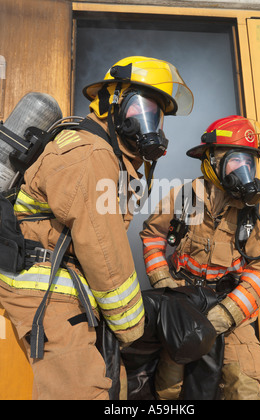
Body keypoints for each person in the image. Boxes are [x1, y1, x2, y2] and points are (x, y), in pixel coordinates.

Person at [0, 56, 194, 400]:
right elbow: (104, 251)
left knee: (111, 377)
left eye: (155, 115)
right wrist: (133, 328)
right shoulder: (91, 154)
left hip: (63, 282)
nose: (149, 123)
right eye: (140, 109)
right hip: (41, 288)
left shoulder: (109, 155)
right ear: (110, 103)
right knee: (83, 388)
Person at [140, 115, 260, 400]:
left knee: (243, 384)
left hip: (230, 316)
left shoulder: (257, 209)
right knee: (169, 388)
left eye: (249, 163)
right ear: (212, 161)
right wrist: (162, 280)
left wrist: (226, 314)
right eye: (236, 160)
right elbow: (152, 235)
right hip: (183, 310)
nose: (244, 170)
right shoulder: (182, 197)